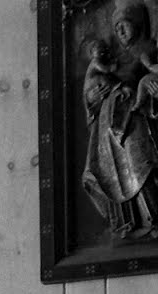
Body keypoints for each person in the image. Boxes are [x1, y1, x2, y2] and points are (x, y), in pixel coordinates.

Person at [82, 1, 158, 241]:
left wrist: (145, 84)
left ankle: (151, 215)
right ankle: (124, 221)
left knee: (138, 159)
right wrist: (92, 97)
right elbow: (94, 85)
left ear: (137, 23)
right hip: (108, 125)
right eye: (116, 28)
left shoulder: (148, 49)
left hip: (137, 119)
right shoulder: (113, 58)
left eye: (124, 25)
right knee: (108, 164)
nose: (120, 32)